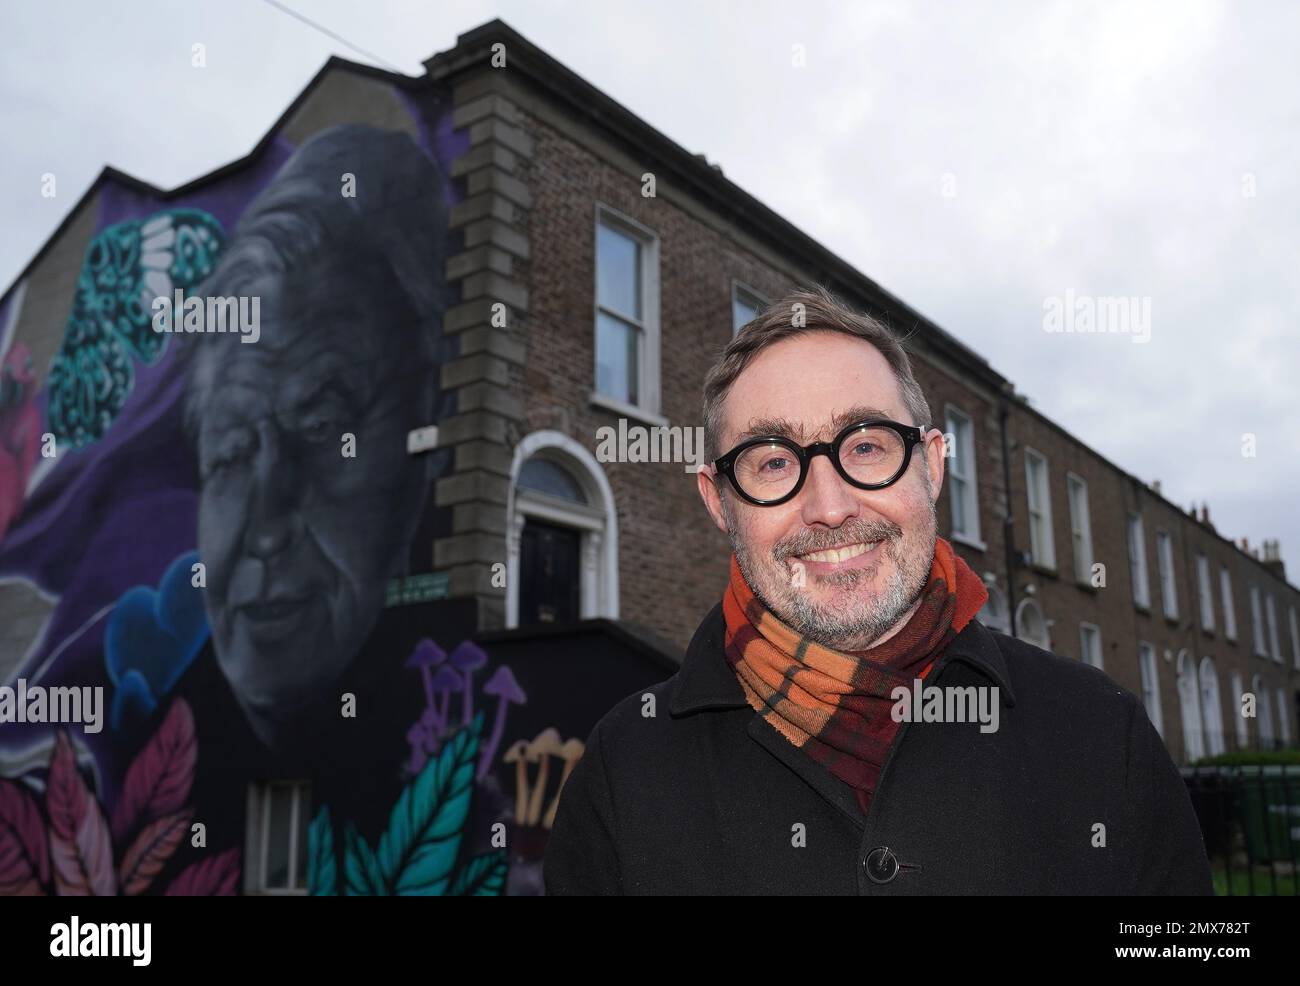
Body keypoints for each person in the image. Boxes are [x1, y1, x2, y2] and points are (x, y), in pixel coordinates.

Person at [544, 285, 1213, 895]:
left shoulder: (1102, 732)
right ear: (719, 503)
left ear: (931, 465)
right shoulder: (621, 771)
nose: (830, 507)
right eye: (774, 461)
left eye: (865, 446)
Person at [184, 125, 453, 751]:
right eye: (231, 452)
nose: (266, 527)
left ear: (432, 418)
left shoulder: (453, 727)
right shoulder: (139, 748)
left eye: (323, 428)